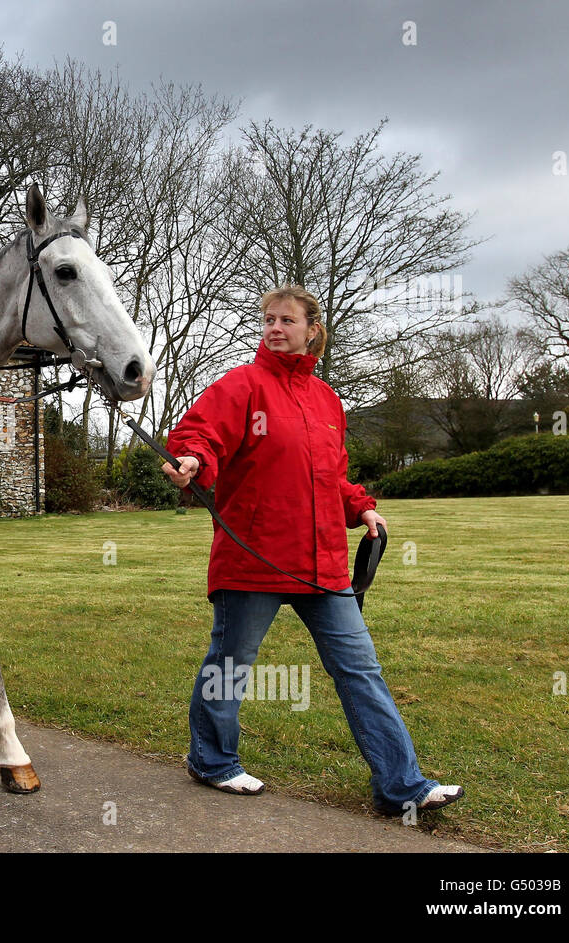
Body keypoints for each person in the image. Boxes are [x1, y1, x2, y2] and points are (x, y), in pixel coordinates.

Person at [161, 285, 463, 816]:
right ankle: (211, 761)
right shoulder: (242, 385)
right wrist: (192, 461)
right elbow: (201, 434)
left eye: (286, 320)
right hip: (254, 558)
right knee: (230, 664)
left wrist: (360, 507)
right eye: (268, 320)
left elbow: (331, 476)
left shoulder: (326, 400)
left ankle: (403, 787)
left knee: (360, 668)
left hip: (323, 564)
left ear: (311, 329)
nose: (274, 328)